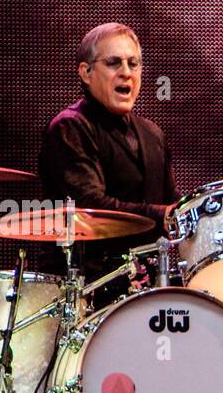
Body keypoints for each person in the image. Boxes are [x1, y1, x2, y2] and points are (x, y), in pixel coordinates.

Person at [38, 22, 177, 279]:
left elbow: (169, 202)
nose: (126, 72)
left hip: (148, 282)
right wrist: (162, 215)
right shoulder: (70, 127)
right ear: (86, 73)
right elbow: (89, 206)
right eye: (114, 63)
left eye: (133, 64)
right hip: (86, 285)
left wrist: (197, 208)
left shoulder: (152, 134)